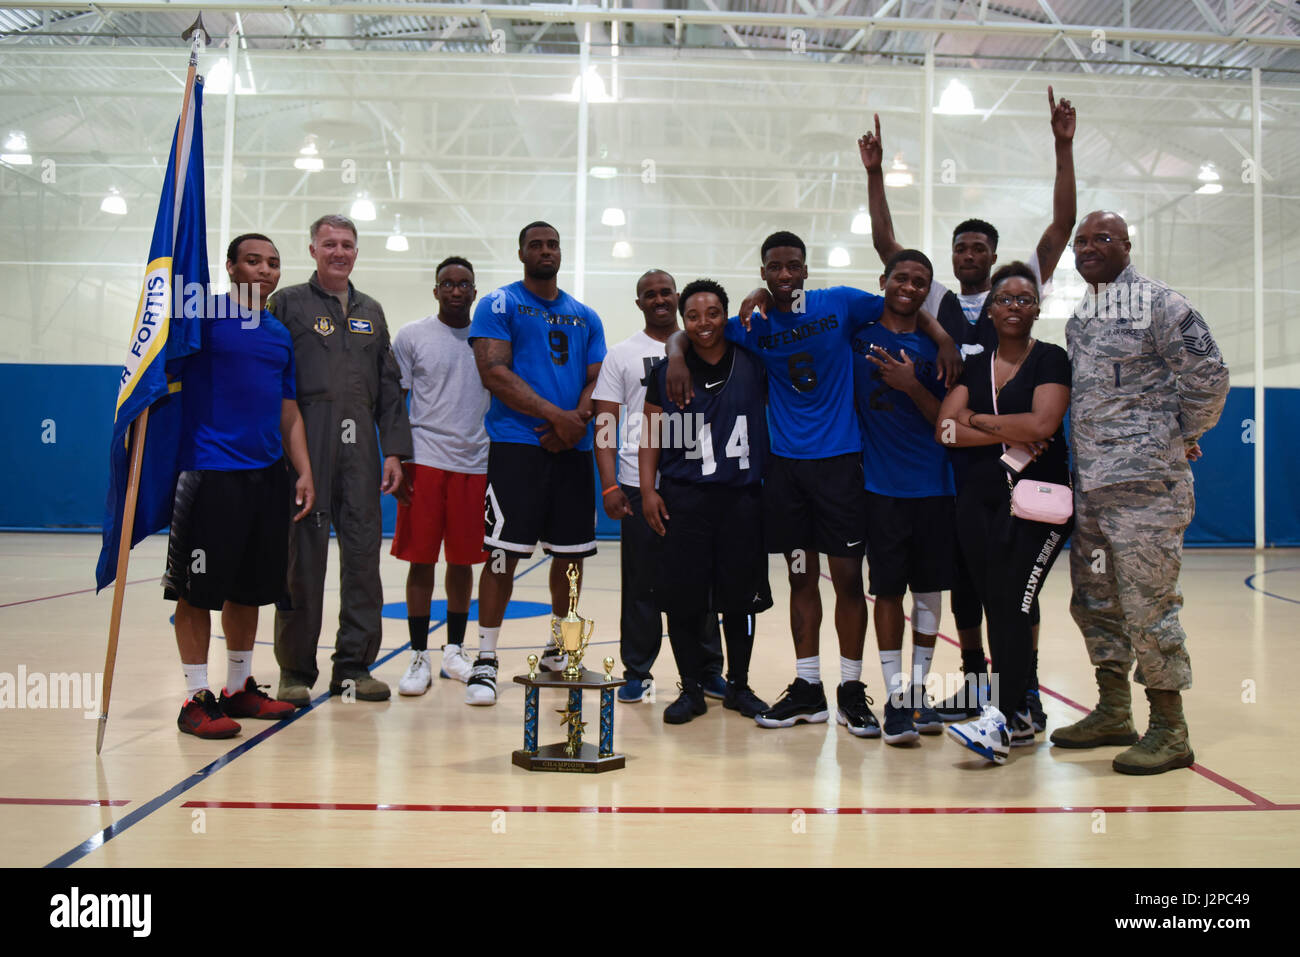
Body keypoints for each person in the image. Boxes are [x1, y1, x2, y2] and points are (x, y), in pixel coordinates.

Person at [667, 231, 960, 736]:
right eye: (774, 268)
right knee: (801, 577)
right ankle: (809, 690)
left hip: (841, 468)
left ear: (806, 270)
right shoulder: (751, 323)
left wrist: (944, 337)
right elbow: (691, 334)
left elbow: (904, 300)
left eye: (793, 266)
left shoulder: (841, 303)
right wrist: (674, 354)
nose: (784, 275)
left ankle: (850, 689)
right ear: (762, 273)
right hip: (785, 473)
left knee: (847, 581)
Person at [859, 87, 1077, 728]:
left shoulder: (1019, 291)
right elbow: (886, 245)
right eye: (962, 249)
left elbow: (1060, 227)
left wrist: (1063, 147)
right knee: (968, 589)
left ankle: (1025, 689)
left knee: (1020, 591)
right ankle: (980, 679)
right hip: (964, 474)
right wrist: (874, 175)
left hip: (1027, 475)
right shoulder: (937, 305)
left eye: (980, 247)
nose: (971, 256)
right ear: (953, 259)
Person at [1050, 210, 1229, 775]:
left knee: (1149, 610)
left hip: (1147, 491)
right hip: (1094, 490)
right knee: (1095, 603)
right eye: (1079, 240)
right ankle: (1112, 711)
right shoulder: (1081, 318)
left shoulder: (1161, 304)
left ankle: (1171, 730)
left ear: (1128, 245)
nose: (1087, 248)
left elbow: (1210, 375)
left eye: (1101, 238)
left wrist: (1181, 433)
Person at [167, 234, 315, 737]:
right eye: (253, 261)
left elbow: (288, 407)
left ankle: (237, 689)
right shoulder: (201, 318)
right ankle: (194, 698)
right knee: (197, 591)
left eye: (273, 263)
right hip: (209, 472)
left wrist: (304, 470)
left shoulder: (277, 333)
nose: (265, 271)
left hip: (266, 475)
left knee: (250, 589)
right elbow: (159, 368)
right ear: (230, 268)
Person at [270, 214, 412, 705]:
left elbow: (390, 386)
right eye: (329, 244)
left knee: (362, 558)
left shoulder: (371, 310)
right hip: (306, 446)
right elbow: (271, 376)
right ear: (312, 249)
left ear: (356, 252)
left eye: (347, 245)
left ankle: (354, 667)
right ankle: (293, 672)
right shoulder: (286, 303)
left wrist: (393, 449)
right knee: (300, 562)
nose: (338, 252)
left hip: (361, 453)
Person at [936, 263, 1072, 765]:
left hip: (1039, 504)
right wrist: (1006, 429)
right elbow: (944, 432)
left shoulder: (1052, 359)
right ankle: (1020, 715)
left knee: (1015, 604)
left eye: (1025, 299)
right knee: (1001, 605)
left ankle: (1001, 718)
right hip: (978, 503)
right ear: (990, 310)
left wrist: (976, 420)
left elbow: (1044, 421)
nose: (1015, 306)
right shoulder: (973, 366)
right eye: (1005, 299)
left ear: (1037, 309)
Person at [466, 221, 607, 706]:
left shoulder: (585, 315)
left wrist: (577, 420)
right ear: (521, 251)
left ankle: (560, 650)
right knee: (502, 553)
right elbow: (493, 372)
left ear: (560, 252)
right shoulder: (499, 304)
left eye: (552, 244)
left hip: (573, 451)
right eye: (536, 245)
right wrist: (557, 418)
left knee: (570, 556)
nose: (545, 251)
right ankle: (485, 660)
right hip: (517, 448)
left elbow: (596, 377)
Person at [640, 279, 772, 723]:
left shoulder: (754, 364)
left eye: (712, 314)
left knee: (741, 600)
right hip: (685, 496)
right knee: (683, 600)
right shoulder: (666, 373)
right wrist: (648, 489)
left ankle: (739, 685)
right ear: (682, 319)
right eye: (692, 316)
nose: (703, 323)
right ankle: (691, 689)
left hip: (741, 497)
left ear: (725, 316)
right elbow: (651, 436)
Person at [592, 269, 726, 704]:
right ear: (639, 304)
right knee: (642, 585)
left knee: (702, 583)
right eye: (649, 294)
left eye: (666, 291)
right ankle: (637, 670)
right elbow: (607, 422)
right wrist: (610, 485)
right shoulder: (622, 355)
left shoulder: (706, 346)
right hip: (637, 482)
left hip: (693, 481)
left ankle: (708, 671)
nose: (659, 299)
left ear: (678, 296)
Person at [852, 250, 952, 745]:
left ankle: (919, 692)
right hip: (881, 488)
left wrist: (913, 385)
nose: (909, 286)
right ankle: (896, 699)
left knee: (929, 591)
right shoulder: (858, 336)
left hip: (936, 486)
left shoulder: (940, 352)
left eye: (920, 281)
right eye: (901, 278)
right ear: (884, 281)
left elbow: (947, 424)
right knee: (887, 592)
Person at [390, 256, 490, 696]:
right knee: (421, 559)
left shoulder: (491, 339)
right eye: (447, 283)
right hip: (425, 459)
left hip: (477, 462)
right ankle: (417, 655)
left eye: (463, 283)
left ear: (474, 290)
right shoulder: (412, 335)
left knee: (463, 560)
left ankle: (454, 650)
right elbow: (397, 400)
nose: (455, 290)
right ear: (435, 290)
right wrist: (394, 454)